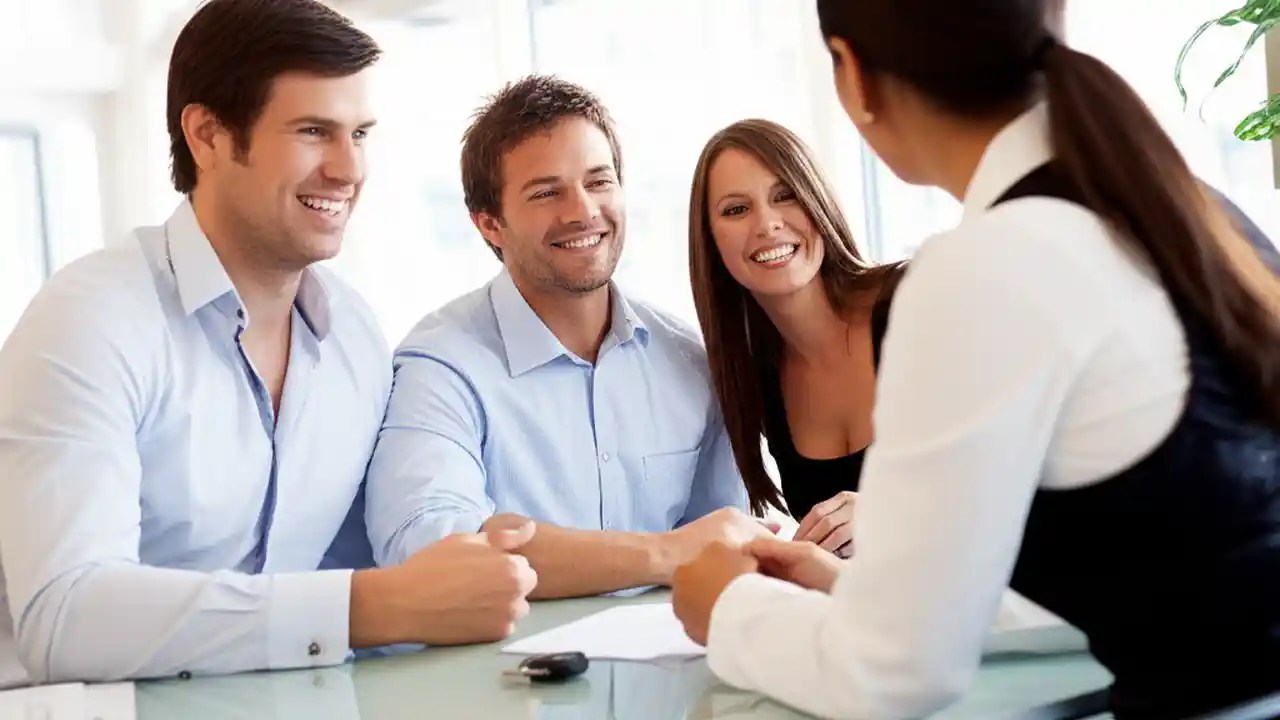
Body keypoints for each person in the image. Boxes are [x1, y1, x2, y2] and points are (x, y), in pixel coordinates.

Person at [671, 1, 1280, 718]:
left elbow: (889, 675)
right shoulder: (1184, 207)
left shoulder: (984, 267)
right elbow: (1125, 576)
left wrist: (729, 606)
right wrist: (855, 588)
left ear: (853, 74)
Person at [0, 0, 534, 687]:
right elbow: (66, 618)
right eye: (313, 132)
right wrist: (370, 606)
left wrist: (463, 566)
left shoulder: (353, 337)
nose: (348, 169)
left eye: (359, 134)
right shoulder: (92, 320)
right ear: (208, 136)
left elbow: (364, 567)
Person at [364, 75, 762, 601]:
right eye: (547, 193)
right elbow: (426, 545)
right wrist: (662, 554)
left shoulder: (687, 360)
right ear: (489, 224)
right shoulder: (441, 365)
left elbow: (725, 547)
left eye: (598, 182)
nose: (582, 211)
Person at [687, 117, 904, 555]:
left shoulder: (913, 300)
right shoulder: (755, 378)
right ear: (711, 240)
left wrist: (894, 511)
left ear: (816, 200)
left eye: (785, 196)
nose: (767, 224)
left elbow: (1017, 472)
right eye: (736, 209)